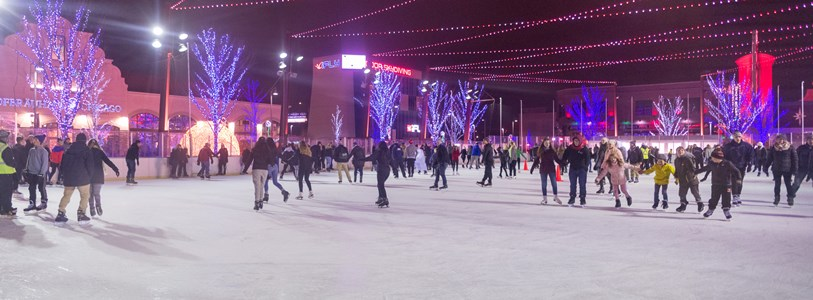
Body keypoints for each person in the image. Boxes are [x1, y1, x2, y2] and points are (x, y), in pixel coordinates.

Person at [54, 133, 95, 225]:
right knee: (85, 196)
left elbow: (62, 165)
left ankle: (61, 212)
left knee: (66, 196)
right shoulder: (87, 150)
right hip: (83, 178)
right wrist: (89, 176)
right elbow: (90, 166)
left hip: (69, 177)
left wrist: (63, 175)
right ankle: (81, 213)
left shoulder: (68, 150)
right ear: (85, 140)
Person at [696, 148, 741, 220]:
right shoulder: (711, 164)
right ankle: (710, 210)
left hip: (726, 184)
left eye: (713, 157)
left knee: (726, 198)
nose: (712, 159)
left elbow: (736, 171)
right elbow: (704, 169)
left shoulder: (727, 163)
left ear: (718, 158)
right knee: (714, 198)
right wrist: (695, 172)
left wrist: (738, 179)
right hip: (715, 184)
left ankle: (726, 210)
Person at [87, 139, 119, 217]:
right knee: (96, 193)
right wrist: (115, 169)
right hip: (98, 175)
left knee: (90, 194)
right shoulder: (100, 152)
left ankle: (92, 208)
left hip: (88, 176)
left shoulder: (86, 152)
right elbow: (107, 161)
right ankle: (98, 206)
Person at [763, 134, 798, 207]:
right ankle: (776, 198)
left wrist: (795, 169)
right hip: (776, 168)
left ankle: (790, 198)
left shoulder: (790, 148)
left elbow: (795, 159)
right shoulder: (773, 148)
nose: (780, 141)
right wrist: (766, 167)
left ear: (784, 140)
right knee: (777, 184)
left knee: (788, 184)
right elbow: (769, 159)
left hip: (787, 169)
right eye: (778, 139)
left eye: (781, 139)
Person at [723, 131, 753, 206]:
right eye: (736, 137)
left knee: (740, 181)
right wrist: (725, 164)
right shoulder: (728, 146)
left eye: (739, 136)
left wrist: (750, 164)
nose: (738, 138)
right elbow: (724, 156)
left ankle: (738, 195)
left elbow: (751, 155)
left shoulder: (746, 146)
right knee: (733, 181)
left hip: (742, 166)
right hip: (732, 166)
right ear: (733, 137)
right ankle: (735, 196)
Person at [561, 135, 590, 207]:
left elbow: (588, 159)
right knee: (573, 185)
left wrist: (585, 167)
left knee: (582, 184)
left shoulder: (584, 149)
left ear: (580, 141)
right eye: (575, 141)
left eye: (577, 141)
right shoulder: (570, 148)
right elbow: (565, 156)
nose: (576, 142)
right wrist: (563, 162)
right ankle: (572, 198)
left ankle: (582, 198)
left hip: (581, 169)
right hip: (573, 169)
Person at [673, 146, 704, 213]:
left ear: (684, 151)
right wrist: (676, 176)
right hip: (682, 179)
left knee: (695, 192)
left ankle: (700, 203)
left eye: (681, 150)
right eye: (678, 150)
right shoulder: (676, 160)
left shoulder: (688, 158)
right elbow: (677, 170)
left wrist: (694, 175)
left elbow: (694, 168)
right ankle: (683, 204)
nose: (680, 152)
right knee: (681, 193)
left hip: (691, 179)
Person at [23, 135, 49, 212]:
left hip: (40, 174)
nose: (33, 141)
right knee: (31, 188)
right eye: (34, 139)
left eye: (35, 140)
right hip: (31, 173)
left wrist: (41, 173)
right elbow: (28, 160)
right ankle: (32, 203)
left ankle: (43, 202)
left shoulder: (44, 151)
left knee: (41, 188)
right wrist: (27, 169)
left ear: (39, 141)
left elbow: (44, 164)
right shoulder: (31, 150)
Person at [263, 138, 291, 203]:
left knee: (265, 181)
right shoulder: (275, 149)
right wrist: (284, 160)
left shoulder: (267, 149)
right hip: (275, 166)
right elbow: (280, 155)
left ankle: (266, 195)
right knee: (275, 182)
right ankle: (284, 192)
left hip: (269, 166)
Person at [246, 137, 270, 211]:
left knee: (257, 186)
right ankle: (260, 201)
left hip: (256, 168)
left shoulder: (255, 149)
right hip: (265, 169)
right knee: (261, 186)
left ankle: (257, 202)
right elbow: (271, 159)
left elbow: (250, 159)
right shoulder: (267, 150)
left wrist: (245, 169)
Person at [537, 138, 562, 205]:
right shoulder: (541, 151)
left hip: (551, 169)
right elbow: (537, 159)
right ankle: (545, 198)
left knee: (554, 183)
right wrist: (532, 168)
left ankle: (555, 197)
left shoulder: (552, 151)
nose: (547, 144)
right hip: (543, 169)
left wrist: (563, 163)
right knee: (544, 184)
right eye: (546, 143)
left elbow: (557, 159)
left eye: (548, 143)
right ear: (543, 143)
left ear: (550, 144)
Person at [366, 141, 391, 207]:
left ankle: (385, 199)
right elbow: (392, 160)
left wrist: (361, 159)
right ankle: (381, 198)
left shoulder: (379, 151)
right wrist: (395, 169)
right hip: (387, 170)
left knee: (380, 184)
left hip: (381, 170)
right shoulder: (388, 152)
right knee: (380, 184)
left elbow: (371, 158)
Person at [0, 130, 17, 216]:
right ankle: (7, 209)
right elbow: (10, 162)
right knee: (6, 192)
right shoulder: (5, 148)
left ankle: (2, 208)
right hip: (5, 173)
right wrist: (15, 163)